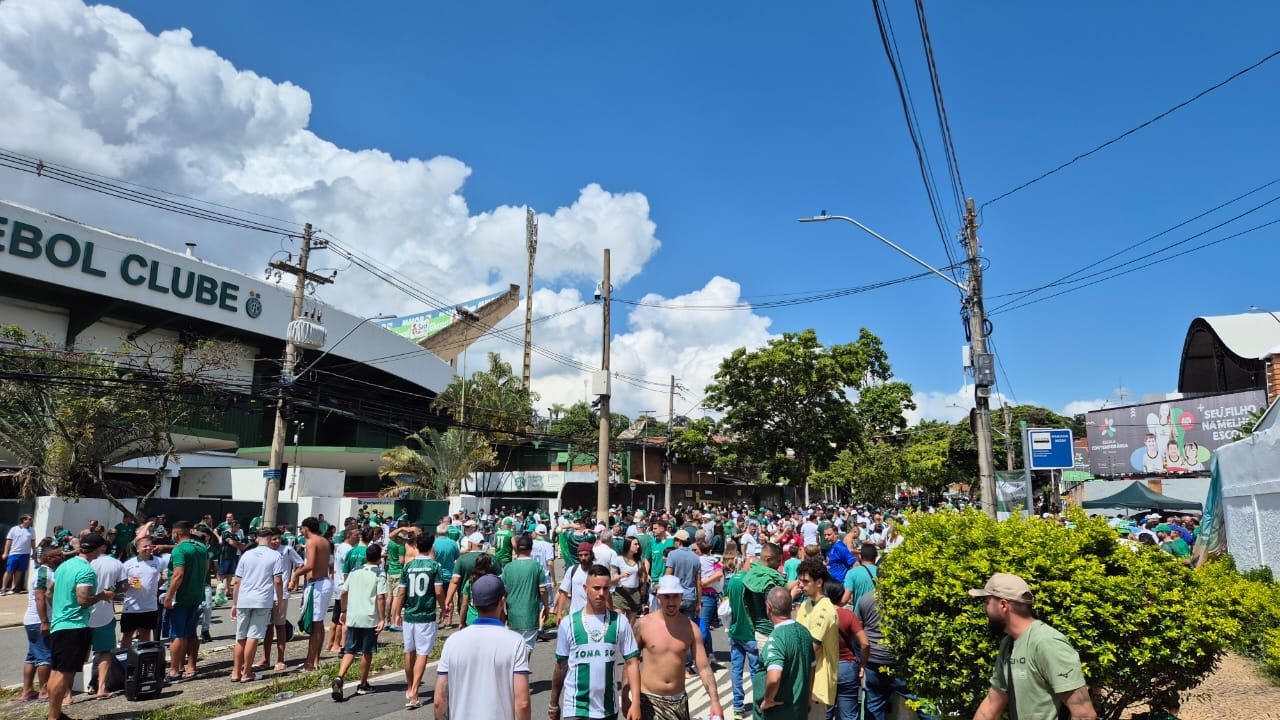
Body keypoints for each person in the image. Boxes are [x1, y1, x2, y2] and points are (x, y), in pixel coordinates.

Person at [968, 572, 1097, 720]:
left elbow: (1084, 714)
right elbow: (991, 705)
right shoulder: (1008, 644)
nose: (985, 609)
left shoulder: (1047, 642)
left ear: (1003, 605)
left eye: (986, 602)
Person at [549, 565, 642, 720]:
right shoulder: (569, 623)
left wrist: (636, 702)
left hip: (608, 710)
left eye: (605, 589)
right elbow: (561, 665)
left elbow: (632, 662)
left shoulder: (619, 622)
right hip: (576, 709)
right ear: (585, 588)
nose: (601, 594)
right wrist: (553, 703)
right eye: (596, 588)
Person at [435, 574, 532, 720]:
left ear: (473, 603)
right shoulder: (515, 642)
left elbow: (439, 701)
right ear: (502, 601)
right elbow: (522, 703)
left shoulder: (452, 641)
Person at [634, 576, 723, 720]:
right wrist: (628, 698)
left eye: (675, 597)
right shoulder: (643, 625)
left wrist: (715, 701)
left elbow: (704, 667)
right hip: (649, 702)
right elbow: (630, 664)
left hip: (679, 702)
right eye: (667, 597)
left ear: (681, 597)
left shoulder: (691, 629)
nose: (671, 602)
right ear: (659, 597)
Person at [47, 532, 111, 720]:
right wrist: (102, 596)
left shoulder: (64, 566)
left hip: (59, 624)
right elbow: (83, 599)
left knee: (57, 671)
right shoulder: (86, 570)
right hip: (74, 626)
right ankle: (53, 717)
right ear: (100, 549)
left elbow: (49, 592)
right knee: (65, 674)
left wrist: (60, 609)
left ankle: (55, 713)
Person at [393, 532, 446, 710]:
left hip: (410, 613)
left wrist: (397, 612)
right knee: (422, 653)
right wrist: (444, 608)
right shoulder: (435, 566)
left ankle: (410, 687)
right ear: (431, 547)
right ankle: (414, 691)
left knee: (409, 651)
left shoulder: (408, 567)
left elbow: (401, 592)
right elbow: (438, 591)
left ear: (416, 547)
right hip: (426, 613)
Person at [331, 543, 387, 702]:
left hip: (353, 616)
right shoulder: (379, 574)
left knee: (350, 649)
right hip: (369, 617)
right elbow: (381, 597)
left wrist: (343, 611)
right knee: (367, 651)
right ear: (379, 558)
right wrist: (382, 618)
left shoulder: (355, 571)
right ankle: (362, 683)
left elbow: (344, 592)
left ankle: (339, 676)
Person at [230, 527, 283, 682]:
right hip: (262, 600)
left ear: (257, 539)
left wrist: (234, 604)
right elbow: (278, 581)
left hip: (243, 599)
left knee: (240, 637)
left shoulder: (246, 555)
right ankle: (247, 673)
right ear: (270, 538)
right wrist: (279, 601)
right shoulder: (275, 555)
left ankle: (235, 672)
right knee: (253, 636)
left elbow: (237, 581)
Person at [755, 586, 816, 720]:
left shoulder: (776, 639)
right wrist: (808, 696)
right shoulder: (804, 632)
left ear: (768, 607)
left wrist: (768, 699)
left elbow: (774, 677)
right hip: (798, 710)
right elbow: (812, 667)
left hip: (778, 713)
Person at [164, 520, 210, 683]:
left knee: (177, 634)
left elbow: (178, 574)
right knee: (191, 633)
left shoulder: (179, 550)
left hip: (181, 598)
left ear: (176, 533)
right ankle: (191, 667)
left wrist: (169, 597)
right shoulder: (201, 547)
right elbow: (206, 569)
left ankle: (175, 670)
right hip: (196, 596)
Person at [795, 559, 839, 713]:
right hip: (802, 679)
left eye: (806, 581)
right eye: (799, 580)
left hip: (817, 685)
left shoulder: (825, 610)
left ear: (819, 582)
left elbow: (813, 648)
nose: (801, 585)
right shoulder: (806, 604)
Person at [290, 516, 333, 671]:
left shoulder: (312, 542)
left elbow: (310, 565)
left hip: (318, 585)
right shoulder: (324, 541)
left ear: (306, 528)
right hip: (322, 583)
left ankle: (310, 662)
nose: (301, 531)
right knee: (318, 624)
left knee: (315, 625)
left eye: (301, 528)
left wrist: (295, 574)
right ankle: (314, 660)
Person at [89, 532, 126, 698]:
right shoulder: (116, 563)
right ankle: (101, 688)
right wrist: (110, 591)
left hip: (81, 615)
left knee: (76, 654)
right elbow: (123, 586)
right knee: (104, 652)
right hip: (105, 614)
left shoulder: (80, 563)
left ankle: (68, 694)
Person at [21, 548, 61, 702]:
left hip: (35, 621)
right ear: (48, 558)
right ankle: (44, 691)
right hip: (38, 621)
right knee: (45, 657)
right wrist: (45, 621)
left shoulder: (49, 572)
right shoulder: (44, 573)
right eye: (57, 555)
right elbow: (40, 597)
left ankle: (27, 690)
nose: (61, 557)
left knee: (32, 657)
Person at [826, 579, 869, 720]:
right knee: (849, 715)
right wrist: (862, 664)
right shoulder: (848, 616)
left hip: (825, 668)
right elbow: (865, 643)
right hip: (847, 668)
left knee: (824, 713)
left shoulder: (818, 615)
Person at [725, 552, 761, 718]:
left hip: (735, 631)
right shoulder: (753, 581)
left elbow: (728, 604)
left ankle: (737, 706)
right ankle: (758, 705)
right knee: (756, 672)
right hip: (750, 633)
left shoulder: (732, 580)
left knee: (736, 671)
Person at [502, 535, 550, 653]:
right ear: (530, 549)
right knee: (527, 648)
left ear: (516, 549)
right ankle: (522, 670)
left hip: (513, 615)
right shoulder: (537, 567)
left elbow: (503, 593)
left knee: (514, 649)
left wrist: (502, 612)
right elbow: (543, 590)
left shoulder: (508, 568)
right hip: (530, 615)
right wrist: (546, 606)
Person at [120, 535, 166, 646]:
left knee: (146, 636)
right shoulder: (128, 564)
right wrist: (128, 583)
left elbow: (160, 580)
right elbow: (119, 585)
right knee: (127, 636)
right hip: (131, 607)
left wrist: (160, 581)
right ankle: (124, 660)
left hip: (150, 607)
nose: (148, 548)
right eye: (145, 546)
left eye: (150, 546)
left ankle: (143, 661)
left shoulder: (159, 561)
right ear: (137, 549)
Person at [555, 542, 597, 621]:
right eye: (580, 555)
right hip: (575, 616)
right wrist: (559, 613)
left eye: (586, 555)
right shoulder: (572, 570)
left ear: (591, 555)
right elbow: (564, 592)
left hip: (595, 616)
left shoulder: (598, 570)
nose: (583, 558)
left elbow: (606, 594)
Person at [611, 536, 646, 623]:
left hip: (634, 594)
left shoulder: (639, 560)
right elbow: (611, 581)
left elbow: (644, 577)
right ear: (628, 545)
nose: (638, 546)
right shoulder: (618, 560)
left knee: (631, 626)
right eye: (635, 544)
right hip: (620, 593)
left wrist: (643, 588)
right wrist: (621, 576)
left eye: (638, 544)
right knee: (619, 623)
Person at [4, 514, 36, 594]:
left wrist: (34, 552)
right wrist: (5, 552)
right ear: (24, 520)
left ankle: (13, 588)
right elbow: (9, 541)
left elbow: (32, 541)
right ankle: (3, 588)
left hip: (25, 554)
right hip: (14, 553)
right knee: (9, 571)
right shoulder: (14, 529)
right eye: (29, 519)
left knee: (19, 571)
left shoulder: (32, 530)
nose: (31, 520)